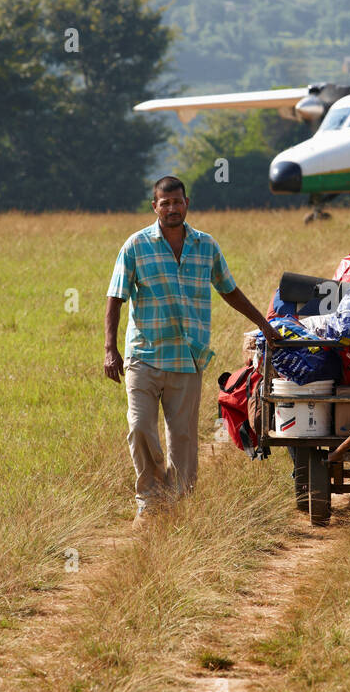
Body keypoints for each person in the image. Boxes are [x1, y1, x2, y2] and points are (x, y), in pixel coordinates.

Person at [104, 176, 278, 526]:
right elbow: (116, 297)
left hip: (187, 357)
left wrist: (263, 323)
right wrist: (110, 348)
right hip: (144, 354)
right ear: (154, 206)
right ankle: (150, 501)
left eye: (177, 201)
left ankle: (177, 506)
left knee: (182, 438)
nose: (171, 208)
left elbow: (229, 289)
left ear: (187, 203)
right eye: (164, 203)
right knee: (140, 427)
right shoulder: (136, 245)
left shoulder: (205, 246)